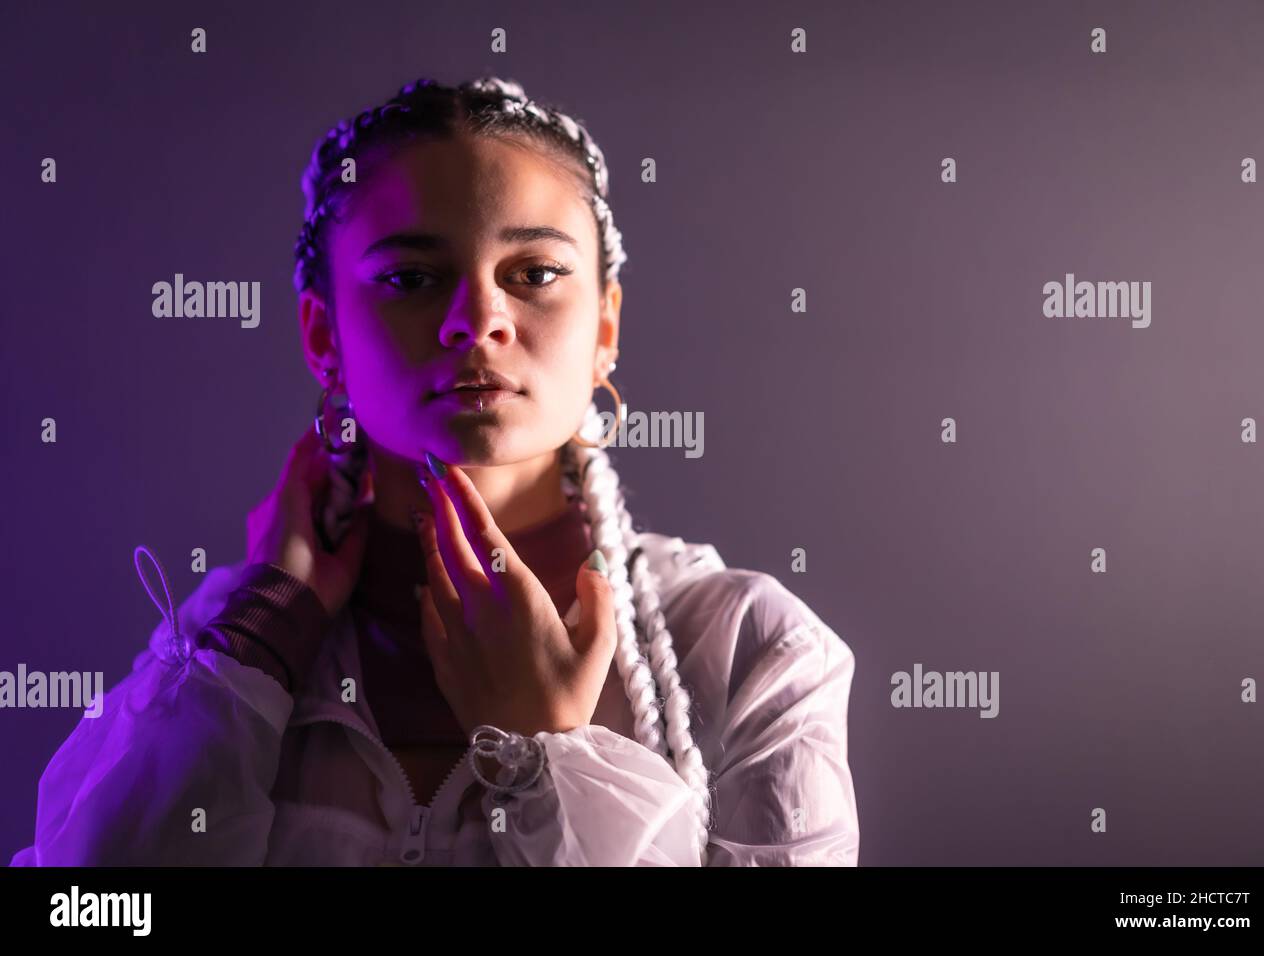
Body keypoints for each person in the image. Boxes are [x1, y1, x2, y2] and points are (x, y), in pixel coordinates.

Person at [10, 76, 859, 866]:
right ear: (323, 334)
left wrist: (548, 747)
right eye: (411, 277)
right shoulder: (225, 658)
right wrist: (260, 639)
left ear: (604, 327)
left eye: (535, 274)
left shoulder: (750, 652)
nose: (478, 319)